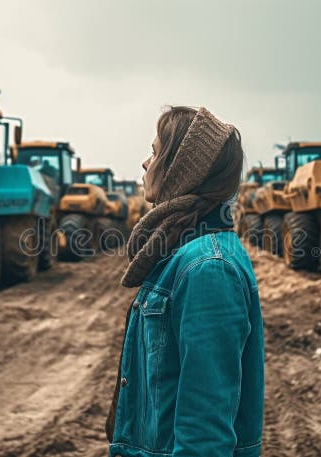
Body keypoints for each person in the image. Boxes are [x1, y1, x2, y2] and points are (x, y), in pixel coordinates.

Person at [107, 106, 264, 457]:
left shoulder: (208, 268)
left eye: (154, 152)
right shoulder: (185, 252)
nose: (145, 164)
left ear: (181, 168)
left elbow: (205, 434)